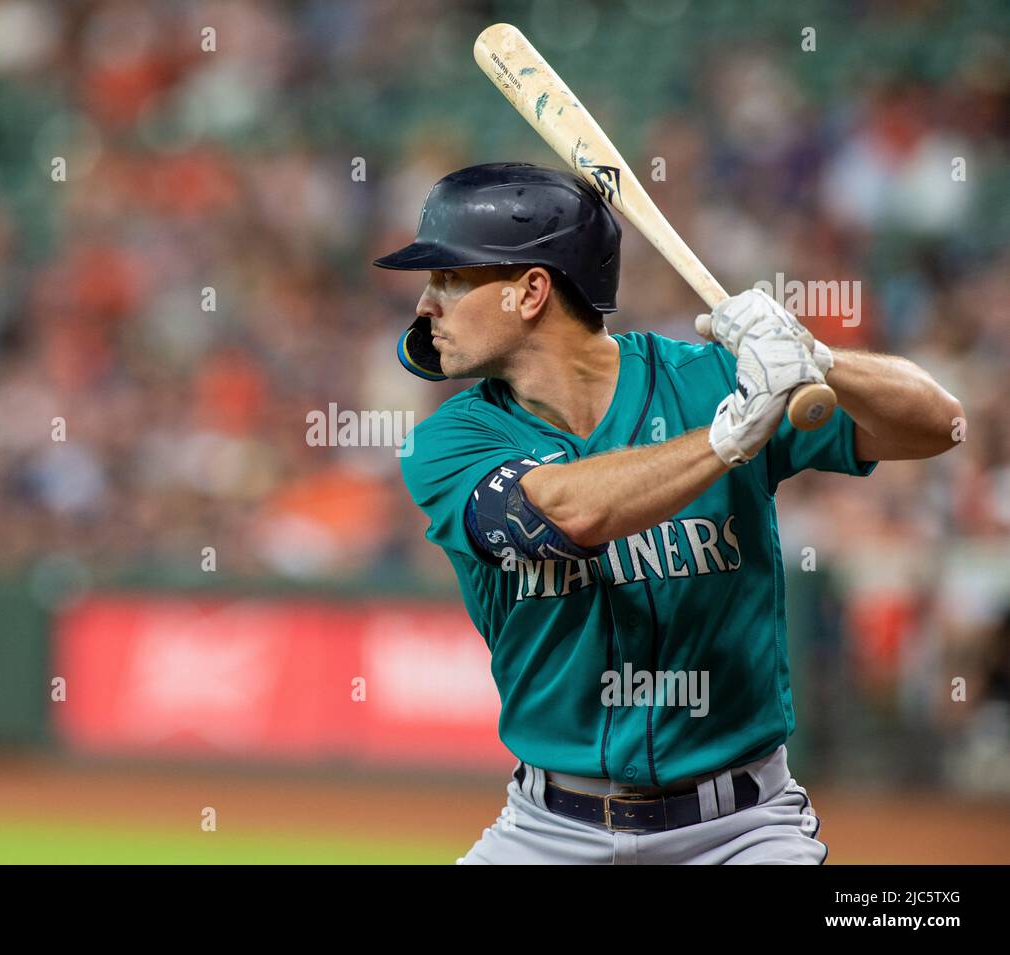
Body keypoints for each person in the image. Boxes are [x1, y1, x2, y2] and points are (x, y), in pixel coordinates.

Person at [374, 162, 965, 864]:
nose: (425, 305)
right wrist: (727, 439)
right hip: (548, 831)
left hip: (742, 829)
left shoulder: (713, 381)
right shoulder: (448, 439)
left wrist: (813, 358)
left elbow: (938, 424)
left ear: (530, 290)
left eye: (448, 278)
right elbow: (556, 515)